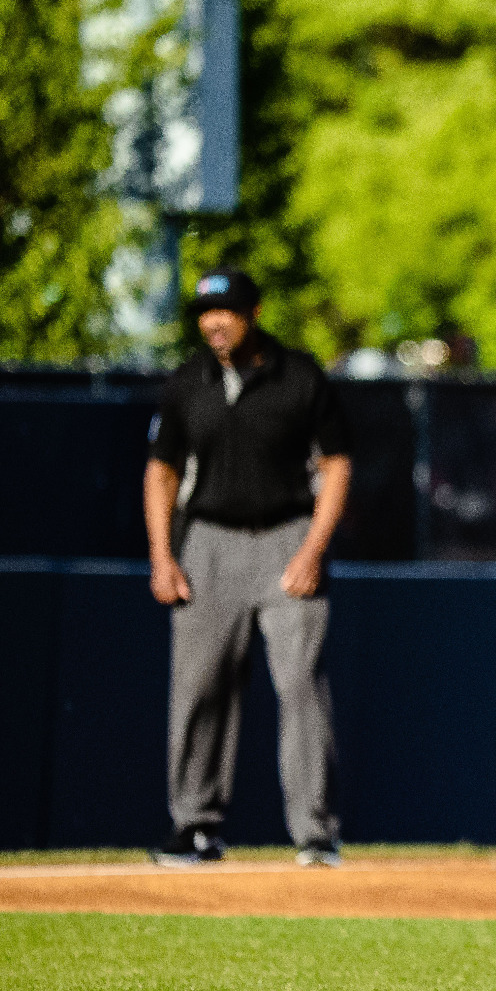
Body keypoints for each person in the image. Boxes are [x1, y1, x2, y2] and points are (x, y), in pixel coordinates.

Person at [144, 267, 352, 868]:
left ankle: (315, 833)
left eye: (227, 312)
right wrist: (162, 555)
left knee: (301, 685)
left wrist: (312, 550)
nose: (215, 323)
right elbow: (161, 471)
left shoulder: (299, 376)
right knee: (199, 686)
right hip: (208, 544)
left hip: (287, 537)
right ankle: (195, 827)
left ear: (253, 314)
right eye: (206, 314)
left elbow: (336, 465)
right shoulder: (188, 382)